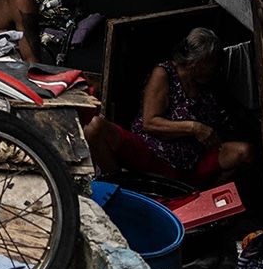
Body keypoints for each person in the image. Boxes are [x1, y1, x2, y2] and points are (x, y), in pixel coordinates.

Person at [85, 27, 253, 183]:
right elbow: (150, 123)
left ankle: (204, 201)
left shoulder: (209, 83)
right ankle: (121, 188)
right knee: (95, 128)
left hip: (192, 163)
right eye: (211, 63)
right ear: (196, 61)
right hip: (152, 155)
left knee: (244, 152)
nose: (215, 68)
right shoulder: (165, 73)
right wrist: (194, 128)